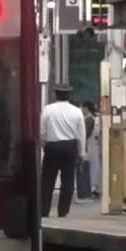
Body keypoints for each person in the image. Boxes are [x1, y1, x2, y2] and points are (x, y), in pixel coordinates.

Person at [39, 84, 86, 217]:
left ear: (56, 94)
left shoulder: (48, 110)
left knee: (47, 180)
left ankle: (44, 210)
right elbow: (81, 135)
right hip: (70, 147)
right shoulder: (77, 111)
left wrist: (44, 145)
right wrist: (81, 152)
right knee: (68, 180)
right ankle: (63, 210)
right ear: (69, 95)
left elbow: (41, 131)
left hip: (52, 147)